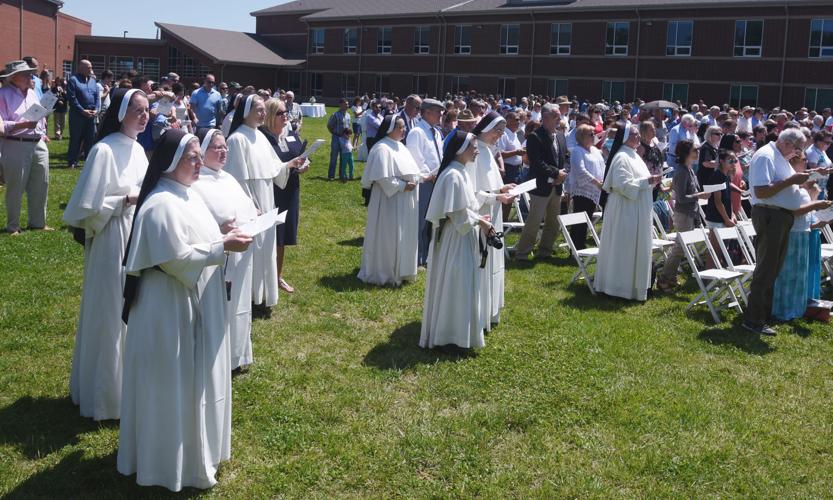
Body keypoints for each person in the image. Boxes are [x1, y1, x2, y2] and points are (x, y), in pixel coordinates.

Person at [118, 129, 253, 492]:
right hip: (168, 307)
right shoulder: (160, 204)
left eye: (198, 155)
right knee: (170, 383)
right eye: (192, 156)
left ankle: (195, 451)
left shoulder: (186, 194)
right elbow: (176, 259)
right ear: (171, 161)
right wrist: (222, 246)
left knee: (189, 382)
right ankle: (167, 462)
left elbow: (198, 238)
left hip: (192, 300)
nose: (198, 162)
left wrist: (222, 235)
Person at [62, 88, 149, 420]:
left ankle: (126, 389)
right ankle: (103, 397)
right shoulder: (103, 151)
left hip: (136, 234)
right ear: (121, 112)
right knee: (109, 311)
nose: (144, 116)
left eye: (147, 111)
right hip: (112, 236)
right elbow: (88, 209)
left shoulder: (140, 150)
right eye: (138, 110)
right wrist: (124, 201)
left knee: (130, 310)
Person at [225, 95, 304, 310]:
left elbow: (274, 168)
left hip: (267, 194)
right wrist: (250, 205)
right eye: (258, 110)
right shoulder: (237, 139)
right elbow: (235, 179)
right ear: (245, 112)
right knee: (252, 250)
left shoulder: (259, 136)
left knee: (266, 247)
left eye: (263, 109)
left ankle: (262, 295)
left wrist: (289, 164)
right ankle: (249, 297)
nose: (262, 113)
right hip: (251, 200)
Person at [191, 128, 259, 370]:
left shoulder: (228, 177)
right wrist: (220, 227)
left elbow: (247, 208)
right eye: (216, 147)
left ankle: (237, 354)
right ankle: (218, 359)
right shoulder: (196, 182)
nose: (222, 152)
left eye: (224, 147)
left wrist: (255, 215)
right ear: (202, 152)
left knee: (240, 306)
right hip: (218, 257)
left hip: (241, 254)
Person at [419, 131, 491, 349]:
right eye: (473, 146)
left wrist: (479, 218)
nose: (477, 150)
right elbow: (456, 214)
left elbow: (466, 206)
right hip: (456, 237)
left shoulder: (461, 172)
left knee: (462, 281)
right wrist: (481, 222)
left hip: (464, 234)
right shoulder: (453, 175)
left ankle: (460, 332)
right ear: (461, 150)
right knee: (456, 281)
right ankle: (449, 334)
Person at [742, 128, 810, 335]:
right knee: (766, 268)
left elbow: (783, 187)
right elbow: (761, 191)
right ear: (788, 143)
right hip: (770, 216)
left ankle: (763, 314)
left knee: (773, 268)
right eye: (798, 150)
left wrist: (803, 178)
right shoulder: (766, 155)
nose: (798, 155)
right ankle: (753, 320)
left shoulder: (780, 157)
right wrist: (792, 180)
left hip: (780, 216)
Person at [594, 124, 661, 301]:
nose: (638, 137)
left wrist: (651, 181)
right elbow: (622, 185)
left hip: (637, 208)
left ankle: (633, 287)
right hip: (625, 209)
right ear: (624, 137)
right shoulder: (622, 157)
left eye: (639, 134)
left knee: (635, 247)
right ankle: (618, 287)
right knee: (623, 247)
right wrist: (647, 182)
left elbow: (639, 180)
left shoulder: (634, 155)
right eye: (634, 134)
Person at [358, 115, 421, 286]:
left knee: (402, 235)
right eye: (400, 127)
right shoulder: (381, 148)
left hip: (405, 200)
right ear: (389, 128)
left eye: (403, 127)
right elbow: (382, 178)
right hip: (389, 202)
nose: (404, 130)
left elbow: (412, 170)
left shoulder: (400, 146)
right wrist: (402, 186)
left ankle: (402, 269)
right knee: (389, 236)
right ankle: (385, 271)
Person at [469, 111, 516, 329]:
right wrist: (496, 195)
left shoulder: (488, 150)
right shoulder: (474, 150)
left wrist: (502, 188)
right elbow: (472, 192)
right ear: (486, 129)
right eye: (497, 130)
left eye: (502, 131)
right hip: (482, 215)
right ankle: (480, 309)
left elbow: (490, 185)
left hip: (494, 210)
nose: (500, 135)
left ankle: (491, 309)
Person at [771, 154, 832, 321]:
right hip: (792, 233)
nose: (807, 163)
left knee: (799, 273)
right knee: (789, 273)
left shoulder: (801, 182)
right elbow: (794, 211)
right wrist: (816, 203)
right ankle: (784, 308)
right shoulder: (791, 185)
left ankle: (797, 307)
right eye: (803, 161)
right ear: (792, 162)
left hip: (803, 232)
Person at [259, 98, 310, 294]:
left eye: (285, 112)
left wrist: (304, 165)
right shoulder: (262, 139)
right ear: (271, 116)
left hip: (290, 190)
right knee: (272, 236)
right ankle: (264, 277)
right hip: (272, 193)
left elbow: (299, 156)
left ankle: (277, 276)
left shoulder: (289, 135)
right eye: (281, 113)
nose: (285, 116)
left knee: (284, 237)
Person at [0, 60, 50, 235]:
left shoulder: (32, 93)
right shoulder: (3, 94)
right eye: (26, 74)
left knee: (41, 185)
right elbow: (1, 126)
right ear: (14, 77)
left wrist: (42, 132)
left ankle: (38, 223)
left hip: (38, 143)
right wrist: (23, 125)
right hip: (15, 144)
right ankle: (12, 226)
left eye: (31, 73)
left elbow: (39, 115)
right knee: (16, 187)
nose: (31, 76)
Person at [513, 103, 568, 260]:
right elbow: (537, 163)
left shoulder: (560, 136)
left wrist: (562, 174)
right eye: (555, 115)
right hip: (541, 186)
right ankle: (522, 252)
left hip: (557, 187)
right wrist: (557, 173)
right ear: (545, 118)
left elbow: (565, 158)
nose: (559, 118)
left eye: (559, 115)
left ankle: (545, 251)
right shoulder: (535, 137)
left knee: (553, 223)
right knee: (534, 221)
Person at [657, 140, 707, 292]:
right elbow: (681, 198)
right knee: (680, 248)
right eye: (695, 150)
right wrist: (699, 195)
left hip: (690, 213)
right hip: (683, 213)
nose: (698, 152)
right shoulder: (681, 172)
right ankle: (663, 278)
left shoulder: (689, 169)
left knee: (682, 248)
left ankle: (670, 278)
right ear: (686, 153)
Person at [407, 98, 445, 267]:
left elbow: (440, 156)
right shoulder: (417, 132)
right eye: (438, 112)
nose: (440, 115)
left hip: (437, 181)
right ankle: (417, 258)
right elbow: (416, 157)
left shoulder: (436, 132)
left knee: (432, 221)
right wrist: (427, 176)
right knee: (420, 221)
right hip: (424, 182)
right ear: (427, 112)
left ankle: (428, 256)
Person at [567, 124, 605, 250]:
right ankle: (575, 248)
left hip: (595, 190)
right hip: (582, 190)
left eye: (594, 134)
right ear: (582, 137)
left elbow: (601, 166)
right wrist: (596, 182)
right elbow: (580, 171)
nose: (594, 136)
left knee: (587, 219)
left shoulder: (594, 150)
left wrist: (603, 181)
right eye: (591, 134)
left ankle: (581, 245)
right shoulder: (577, 151)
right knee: (579, 221)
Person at [66, 60, 100, 169]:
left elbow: (97, 97)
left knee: (90, 138)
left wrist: (96, 110)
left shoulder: (93, 81)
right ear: (81, 68)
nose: (91, 69)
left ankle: (88, 161)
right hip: (78, 115)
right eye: (88, 68)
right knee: (76, 138)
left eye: (91, 67)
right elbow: (72, 99)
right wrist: (82, 110)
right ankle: (72, 161)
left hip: (91, 115)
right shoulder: (73, 80)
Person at [326, 99, 351, 180]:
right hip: (336, 138)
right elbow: (329, 125)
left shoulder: (348, 115)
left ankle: (342, 174)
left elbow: (348, 126)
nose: (347, 106)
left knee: (343, 157)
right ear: (340, 105)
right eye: (346, 104)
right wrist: (334, 133)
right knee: (334, 157)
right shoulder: (335, 115)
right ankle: (331, 176)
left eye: (348, 104)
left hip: (345, 139)